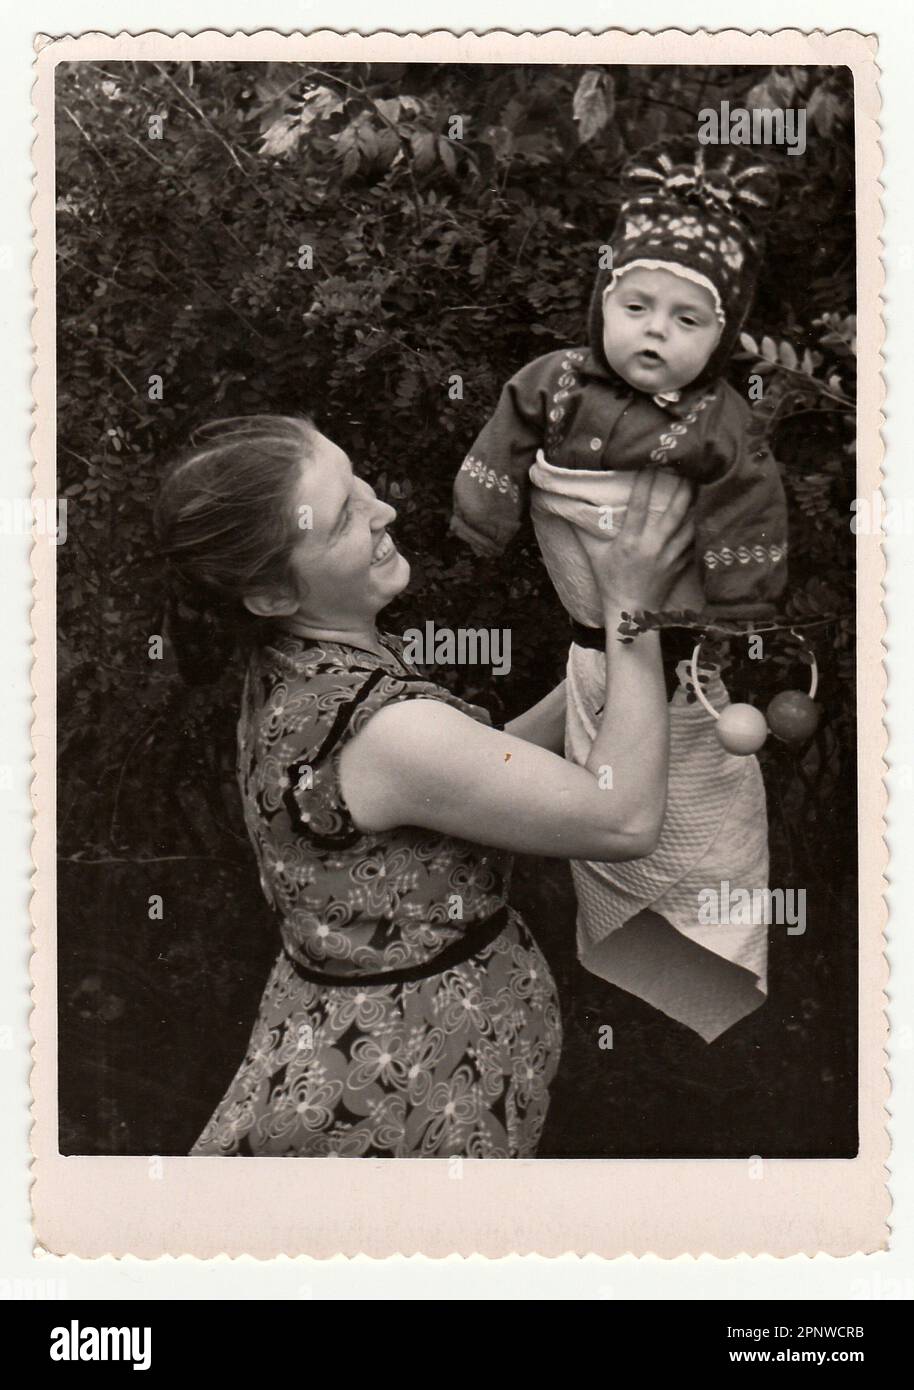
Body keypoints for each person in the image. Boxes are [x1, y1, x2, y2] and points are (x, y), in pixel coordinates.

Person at [155, 414, 694, 1157]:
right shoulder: (384, 734)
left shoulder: (303, 666)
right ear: (273, 594)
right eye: (344, 517)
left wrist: (597, 657)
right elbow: (624, 819)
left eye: (358, 484)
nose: (385, 512)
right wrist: (634, 616)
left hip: (370, 1054)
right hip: (393, 1099)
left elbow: (471, 768)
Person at [450, 138, 789, 1042]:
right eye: (636, 306)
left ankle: (694, 1012)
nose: (654, 332)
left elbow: (745, 505)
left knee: (699, 812)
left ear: (723, 336)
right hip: (602, 642)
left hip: (677, 659)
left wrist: (742, 604)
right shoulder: (556, 382)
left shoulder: (720, 421)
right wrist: (484, 517)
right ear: (602, 302)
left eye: (687, 320)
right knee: (617, 802)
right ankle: (637, 1012)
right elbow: (503, 442)